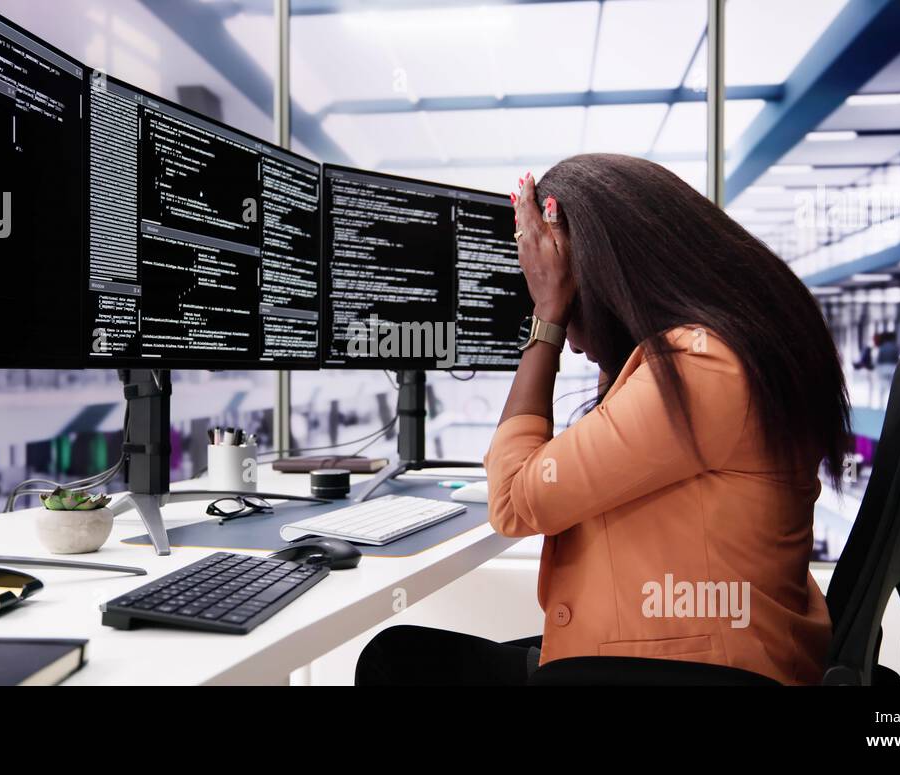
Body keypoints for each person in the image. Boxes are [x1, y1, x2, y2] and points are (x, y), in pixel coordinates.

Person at [355, 154, 851, 686]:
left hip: (689, 669)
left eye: (568, 295)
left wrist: (546, 316)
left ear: (610, 278)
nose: (569, 335)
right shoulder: (718, 354)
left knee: (396, 666)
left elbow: (513, 499)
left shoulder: (701, 368)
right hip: (685, 653)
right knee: (400, 658)